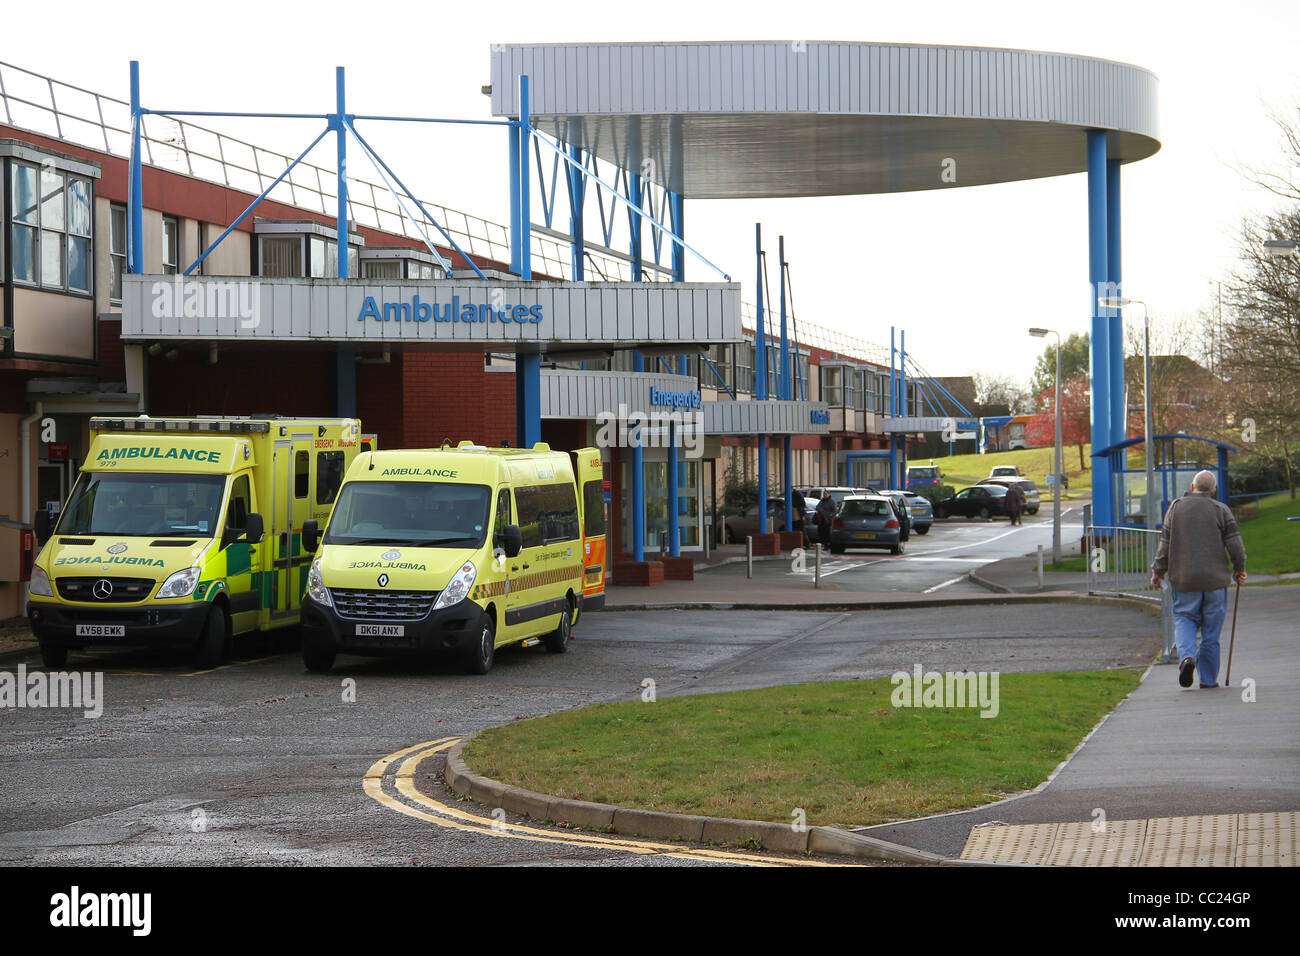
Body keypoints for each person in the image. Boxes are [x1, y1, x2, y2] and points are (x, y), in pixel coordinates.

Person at [1150, 470, 1247, 689]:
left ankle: (1186, 658)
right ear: (1213, 491)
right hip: (1214, 582)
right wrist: (1239, 568)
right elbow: (1236, 546)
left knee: (1184, 618)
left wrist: (1158, 571)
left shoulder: (1175, 508)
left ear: (1192, 487)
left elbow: (1164, 545)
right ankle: (1208, 679)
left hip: (1184, 579)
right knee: (1211, 632)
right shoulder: (1221, 510)